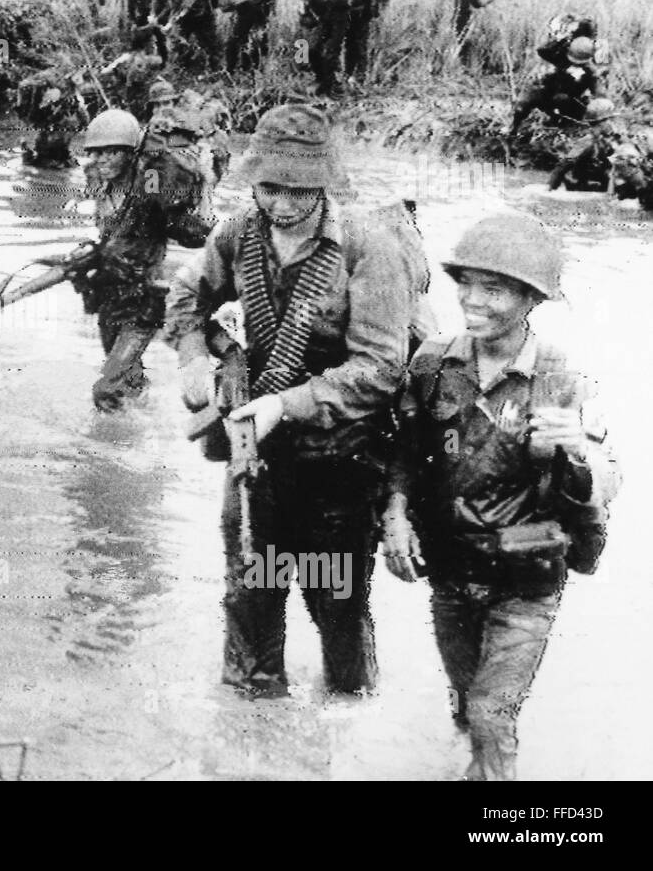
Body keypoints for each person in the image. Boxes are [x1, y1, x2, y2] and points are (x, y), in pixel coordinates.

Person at [166, 104, 416, 696]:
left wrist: (289, 403)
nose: (278, 203)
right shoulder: (238, 233)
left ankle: (349, 718)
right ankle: (255, 729)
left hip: (339, 460)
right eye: (267, 186)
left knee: (336, 601)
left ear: (324, 183)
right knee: (251, 593)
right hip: (256, 458)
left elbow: (381, 368)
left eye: (294, 189)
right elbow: (186, 291)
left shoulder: (366, 248)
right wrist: (193, 356)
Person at [381, 211, 618, 780]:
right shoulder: (434, 362)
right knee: (466, 705)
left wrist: (577, 451)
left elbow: (606, 482)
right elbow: (405, 453)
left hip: (525, 575)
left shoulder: (563, 378)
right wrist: (394, 515)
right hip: (451, 567)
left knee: (491, 713)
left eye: (494, 289)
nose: (473, 300)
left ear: (532, 299)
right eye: (465, 283)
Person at [73, 109, 212, 411]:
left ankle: (111, 447)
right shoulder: (103, 187)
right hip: (109, 296)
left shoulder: (147, 184)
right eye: (96, 154)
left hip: (142, 302)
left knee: (107, 389)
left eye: (110, 153)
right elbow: (112, 239)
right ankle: (144, 430)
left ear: (128, 153)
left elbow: (185, 228)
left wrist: (204, 187)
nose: (101, 160)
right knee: (128, 376)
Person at [312, 0, 390, 96]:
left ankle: (359, 80)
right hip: (343, 14)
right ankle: (340, 79)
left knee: (359, 47)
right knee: (339, 47)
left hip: (362, 14)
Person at [509, 36, 602, 136]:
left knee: (562, 99)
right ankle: (513, 128)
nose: (575, 64)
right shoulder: (561, 57)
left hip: (571, 105)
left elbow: (598, 94)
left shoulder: (591, 72)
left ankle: (562, 125)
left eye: (579, 63)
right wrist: (562, 39)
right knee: (526, 99)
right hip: (550, 94)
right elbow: (542, 50)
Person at [547, 98, 622, 193]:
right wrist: (550, 187)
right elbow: (563, 166)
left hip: (606, 183)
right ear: (601, 122)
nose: (613, 124)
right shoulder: (587, 141)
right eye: (610, 120)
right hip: (588, 186)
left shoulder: (609, 139)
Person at [152, 0, 221, 64]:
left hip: (202, 16)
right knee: (179, 42)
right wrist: (153, 15)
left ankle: (215, 68)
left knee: (210, 44)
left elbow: (186, 6)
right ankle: (183, 65)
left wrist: (171, 22)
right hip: (185, 17)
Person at [100, 26, 167, 122]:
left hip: (144, 90)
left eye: (155, 42)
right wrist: (108, 69)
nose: (154, 45)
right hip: (132, 89)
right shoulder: (132, 56)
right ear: (144, 43)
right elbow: (113, 67)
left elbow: (155, 70)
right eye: (151, 42)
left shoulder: (154, 59)